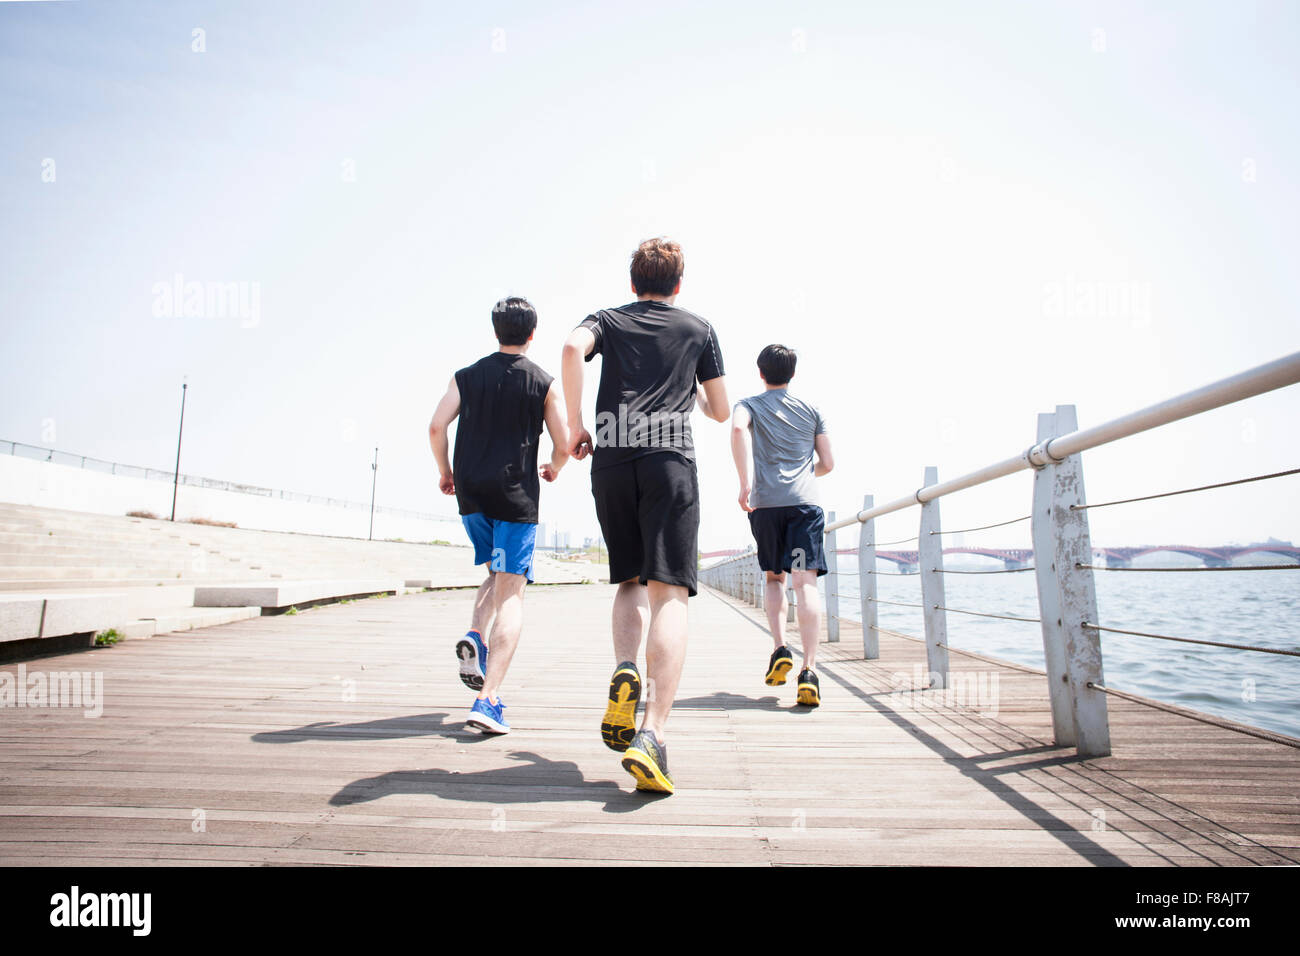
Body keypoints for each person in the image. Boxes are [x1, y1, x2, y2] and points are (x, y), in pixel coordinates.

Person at [561, 237, 727, 794]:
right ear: (678, 284)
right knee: (670, 593)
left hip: (610, 461)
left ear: (634, 282)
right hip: (669, 463)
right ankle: (652, 733)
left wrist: (576, 425)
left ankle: (625, 666)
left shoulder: (606, 319)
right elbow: (721, 409)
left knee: (630, 579)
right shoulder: (698, 329)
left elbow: (568, 347)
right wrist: (694, 389)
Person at [428, 297, 569, 734]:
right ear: (531, 334)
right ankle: (487, 701)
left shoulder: (465, 376)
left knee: (495, 570)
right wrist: (554, 466)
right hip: (515, 496)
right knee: (512, 591)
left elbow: (436, 426)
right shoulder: (543, 382)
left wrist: (445, 471)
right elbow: (562, 443)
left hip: (471, 491)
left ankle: (475, 634)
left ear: (495, 332)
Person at [730, 344, 834, 707]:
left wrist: (745, 482)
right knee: (805, 583)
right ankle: (809, 671)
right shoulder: (812, 410)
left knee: (775, 578)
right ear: (793, 374)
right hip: (805, 505)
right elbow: (828, 463)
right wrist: (805, 474)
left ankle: (779, 648)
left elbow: (738, 431)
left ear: (761, 372)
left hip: (767, 505)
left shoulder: (748, 405)